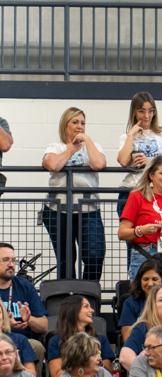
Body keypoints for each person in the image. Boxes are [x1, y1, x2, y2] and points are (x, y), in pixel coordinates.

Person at [41, 106, 106, 281]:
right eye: (75, 122)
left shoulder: (94, 146)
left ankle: (87, 298)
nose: (80, 126)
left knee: (94, 256)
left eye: (83, 123)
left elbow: (99, 164)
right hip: (57, 211)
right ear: (65, 125)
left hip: (88, 210)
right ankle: (67, 302)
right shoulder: (55, 146)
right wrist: (71, 149)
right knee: (66, 259)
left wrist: (87, 141)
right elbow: (53, 165)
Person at [118, 155, 162, 292]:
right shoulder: (137, 197)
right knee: (141, 300)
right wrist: (141, 230)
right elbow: (122, 233)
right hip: (144, 253)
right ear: (151, 175)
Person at [116, 91, 162, 217]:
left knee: (158, 231)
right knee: (132, 234)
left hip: (158, 190)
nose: (147, 116)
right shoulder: (126, 136)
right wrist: (131, 135)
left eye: (150, 111)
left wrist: (152, 162)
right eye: (141, 111)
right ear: (134, 113)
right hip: (131, 190)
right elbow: (123, 161)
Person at [46, 295, 114, 377]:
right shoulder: (56, 341)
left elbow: (107, 372)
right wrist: (90, 366)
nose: (92, 310)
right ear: (73, 311)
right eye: (86, 306)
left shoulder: (100, 339)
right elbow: (57, 376)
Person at [118, 259, 162, 342]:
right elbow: (127, 338)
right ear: (139, 281)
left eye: (155, 279)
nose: (150, 284)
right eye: (145, 279)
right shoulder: (130, 303)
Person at [0, 244, 49, 341]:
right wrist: (4, 323)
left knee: (37, 347)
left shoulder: (25, 286)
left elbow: (44, 326)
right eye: (6, 260)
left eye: (13, 260)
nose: (11, 264)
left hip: (23, 341)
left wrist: (29, 319)